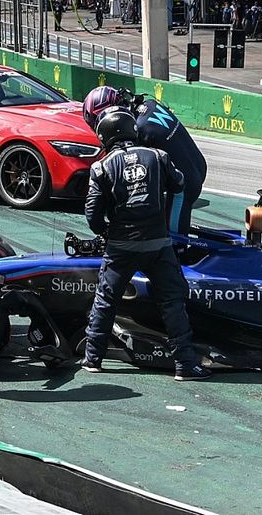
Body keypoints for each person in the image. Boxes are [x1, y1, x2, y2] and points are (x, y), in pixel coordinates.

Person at [83, 108, 211, 381]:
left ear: (106, 137)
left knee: (105, 301)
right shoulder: (158, 156)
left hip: (121, 246)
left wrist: (108, 232)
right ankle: (185, 365)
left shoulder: (101, 167)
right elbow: (179, 184)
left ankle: (92, 359)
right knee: (172, 302)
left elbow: (92, 215)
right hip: (157, 243)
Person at [83, 86, 207, 235]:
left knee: (174, 241)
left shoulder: (138, 129)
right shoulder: (149, 104)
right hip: (197, 164)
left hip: (184, 186)